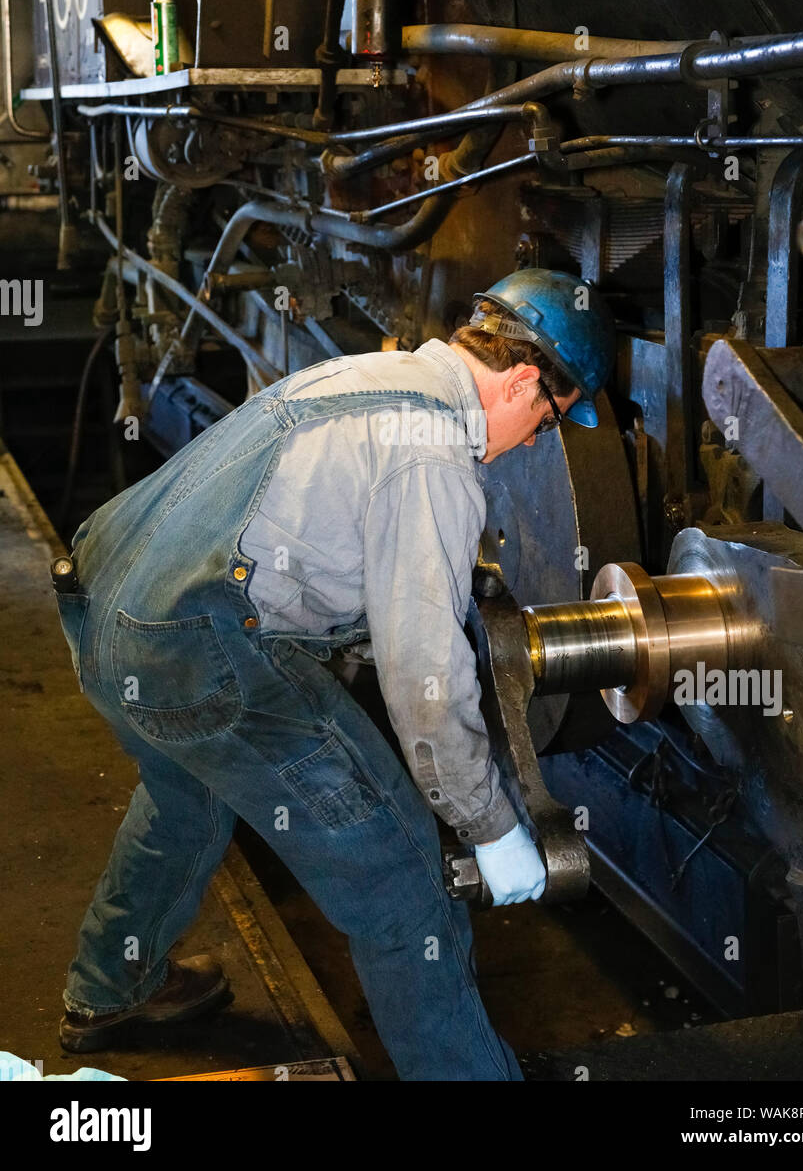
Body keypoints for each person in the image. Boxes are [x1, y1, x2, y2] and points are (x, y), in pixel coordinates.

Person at [53, 267, 615, 1080]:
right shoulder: (435, 462)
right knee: (403, 889)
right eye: (550, 421)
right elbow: (424, 684)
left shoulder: (377, 373)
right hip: (192, 648)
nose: (535, 441)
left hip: (102, 600)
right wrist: (490, 829)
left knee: (188, 792)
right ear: (526, 379)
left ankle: (108, 988)